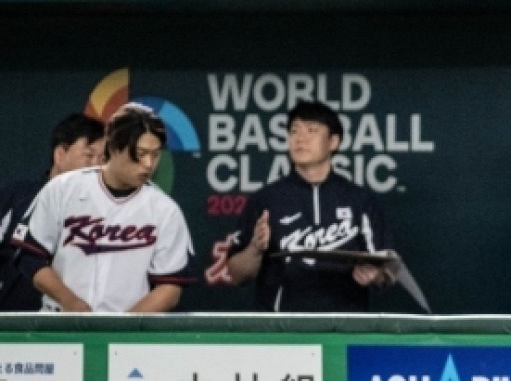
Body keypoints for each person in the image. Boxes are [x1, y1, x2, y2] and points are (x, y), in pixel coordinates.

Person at [10, 103, 195, 312]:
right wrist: (69, 301)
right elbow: (30, 257)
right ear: (113, 147)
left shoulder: (165, 210)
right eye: (140, 153)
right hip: (60, 321)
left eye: (155, 154)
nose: (148, 164)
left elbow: (170, 286)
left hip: (126, 327)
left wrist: (123, 325)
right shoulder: (62, 189)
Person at [226, 100, 400, 312]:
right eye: (294, 131)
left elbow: (389, 270)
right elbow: (236, 275)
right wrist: (255, 248)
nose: (300, 138)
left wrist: (376, 275)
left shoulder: (361, 200)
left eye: (312, 130)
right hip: (282, 325)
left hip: (346, 324)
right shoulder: (266, 199)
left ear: (333, 141)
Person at [0, 113, 105, 310]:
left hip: (77, 323)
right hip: (13, 321)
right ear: (60, 154)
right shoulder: (17, 197)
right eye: (89, 156)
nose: (97, 166)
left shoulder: (106, 210)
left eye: (103, 159)